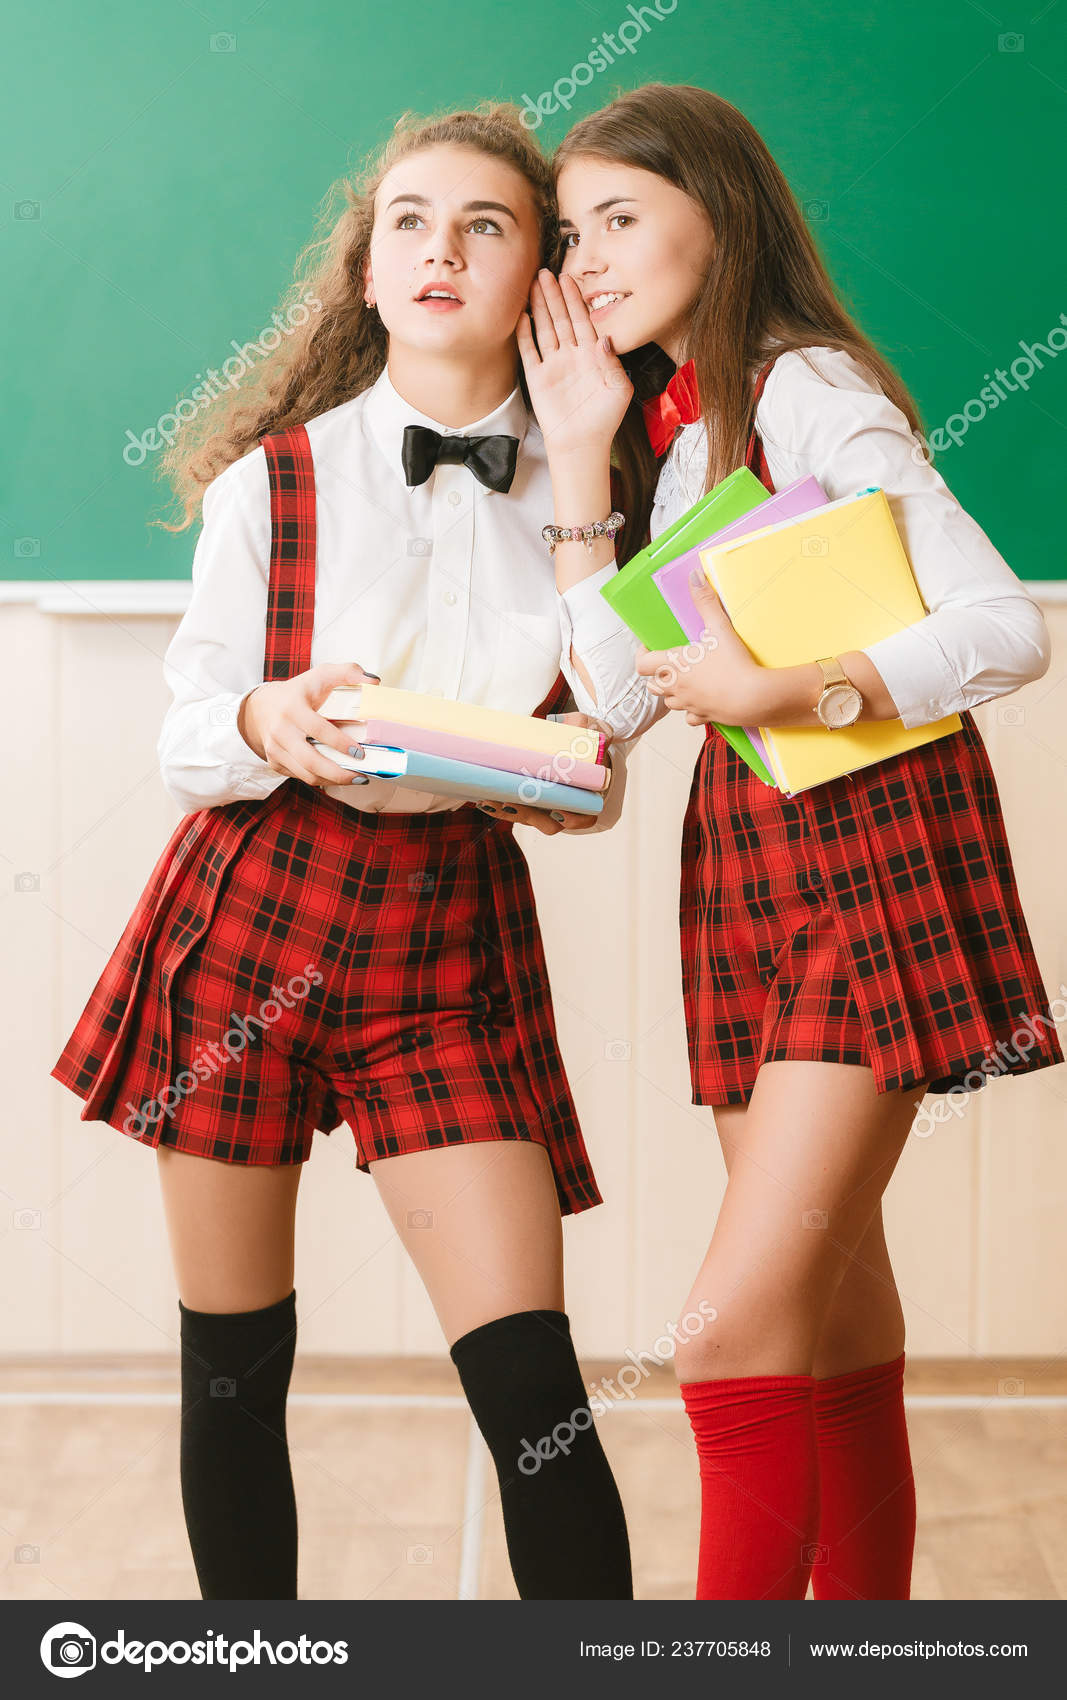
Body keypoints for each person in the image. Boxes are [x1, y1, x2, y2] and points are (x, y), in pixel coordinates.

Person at [51, 102, 658, 1602]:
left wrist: (582, 471)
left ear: (547, 279)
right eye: (408, 223)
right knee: (234, 1374)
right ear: (368, 272)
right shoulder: (274, 479)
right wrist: (264, 715)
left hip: (446, 938)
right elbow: (189, 730)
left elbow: (606, 765)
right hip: (254, 908)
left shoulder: (606, 489)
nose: (440, 250)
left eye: (487, 225)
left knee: (533, 1394)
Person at [517, 81, 1063, 1599]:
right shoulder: (669, 429)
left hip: (870, 841)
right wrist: (578, 456)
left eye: (623, 218)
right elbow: (618, 701)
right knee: (827, 1319)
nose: (592, 261)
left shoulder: (802, 382)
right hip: (747, 858)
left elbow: (1005, 628)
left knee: (729, 1335)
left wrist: (792, 683)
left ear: (723, 207)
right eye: (574, 236)